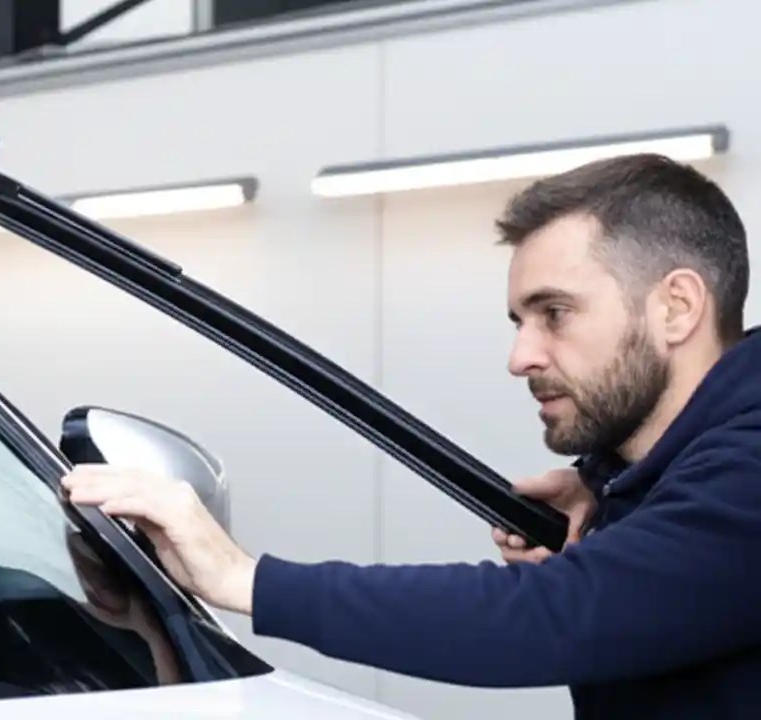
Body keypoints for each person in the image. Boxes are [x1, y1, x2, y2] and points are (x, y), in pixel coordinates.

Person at [61, 152, 761, 719]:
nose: (521, 357)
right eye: (519, 321)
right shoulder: (679, 479)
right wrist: (620, 489)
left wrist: (244, 578)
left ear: (677, 307)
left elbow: (551, 618)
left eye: (555, 312)